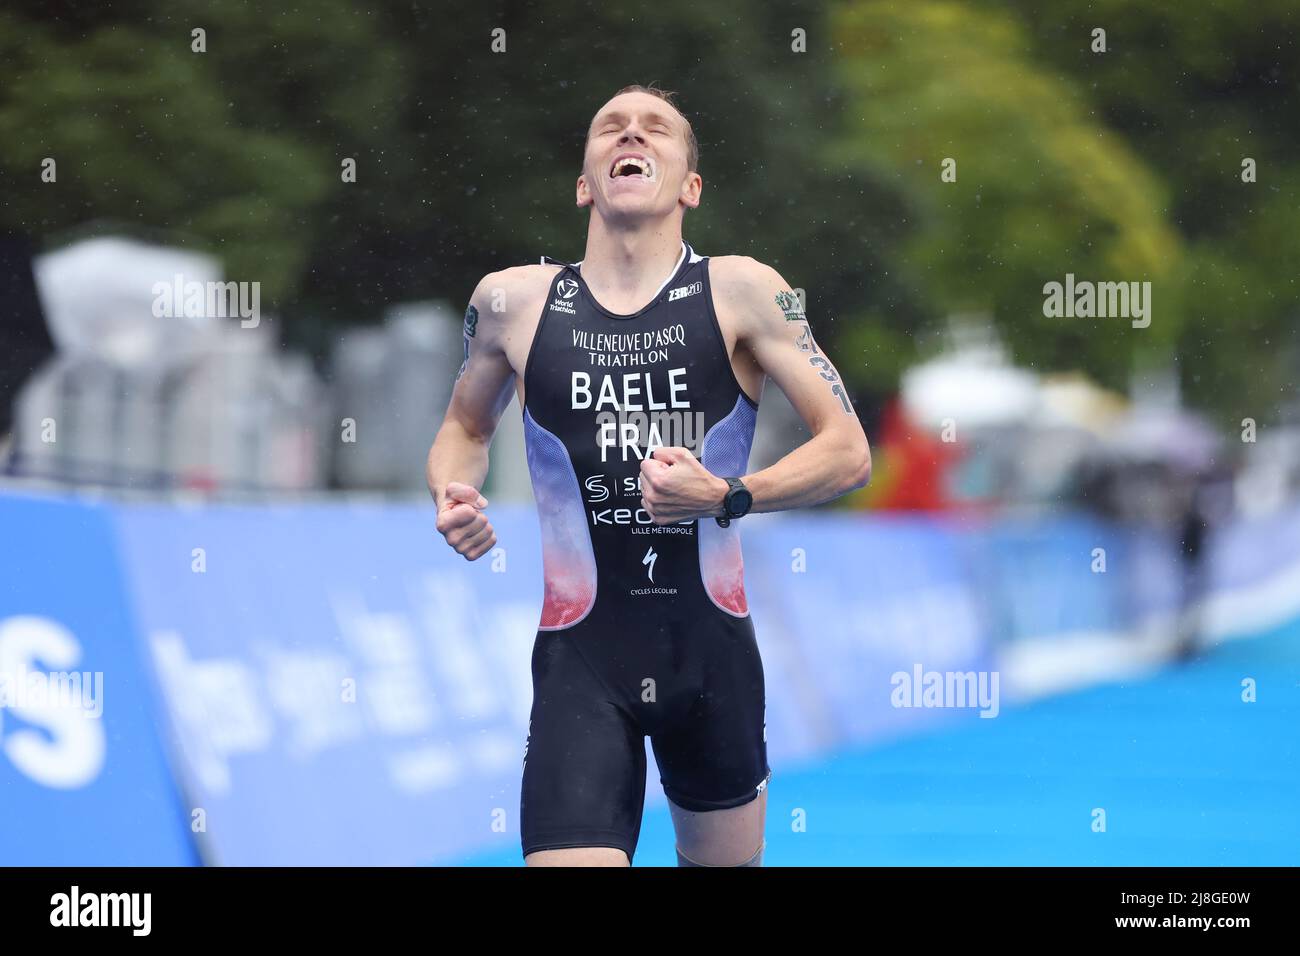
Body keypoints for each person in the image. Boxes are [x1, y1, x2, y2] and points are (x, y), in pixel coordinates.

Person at [426, 84, 870, 867]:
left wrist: (728, 495)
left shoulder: (747, 290)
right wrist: (453, 491)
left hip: (712, 655)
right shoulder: (511, 303)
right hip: (580, 659)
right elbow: (465, 428)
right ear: (584, 182)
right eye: (611, 128)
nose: (632, 134)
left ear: (690, 187)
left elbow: (847, 450)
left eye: (656, 128)